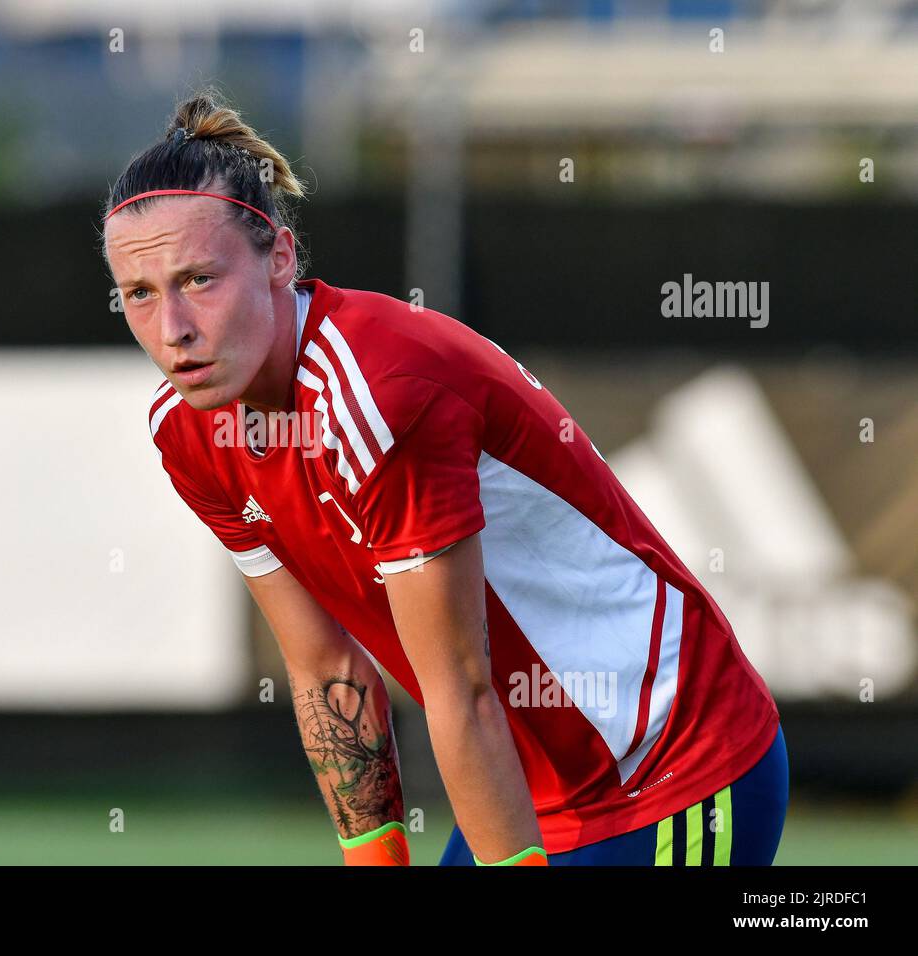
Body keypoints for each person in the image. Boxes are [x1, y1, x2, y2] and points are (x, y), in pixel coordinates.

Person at [97, 88, 787, 866]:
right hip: (519, 783)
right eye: (140, 295)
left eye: (199, 280)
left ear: (280, 259)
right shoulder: (188, 430)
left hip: (673, 774)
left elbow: (462, 685)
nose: (173, 329)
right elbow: (325, 665)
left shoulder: (382, 396)